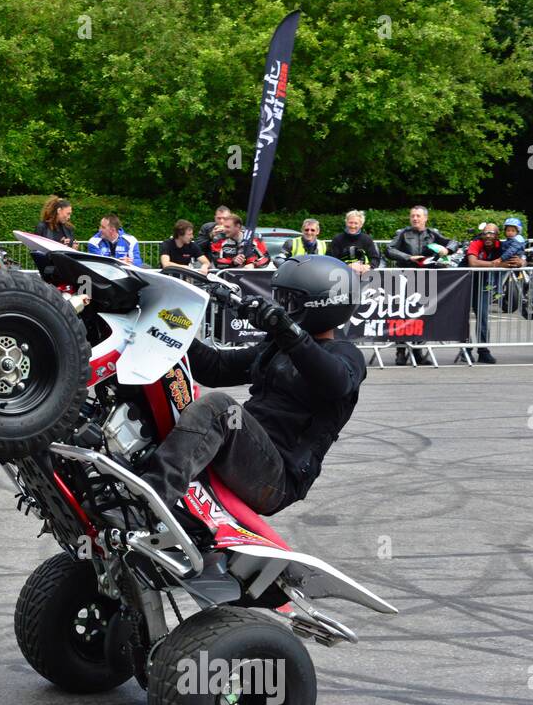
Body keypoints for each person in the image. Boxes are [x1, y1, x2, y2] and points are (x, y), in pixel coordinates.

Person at [141, 255, 366, 516]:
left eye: (289, 300)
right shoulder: (277, 346)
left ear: (320, 304)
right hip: (246, 453)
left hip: (278, 477)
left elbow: (335, 383)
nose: (281, 306)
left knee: (219, 407)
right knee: (170, 389)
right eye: (279, 298)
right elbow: (216, 369)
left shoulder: (347, 355)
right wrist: (165, 322)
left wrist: (287, 332)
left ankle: (149, 503)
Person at [385, 206, 459, 364]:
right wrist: (409, 257)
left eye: (418, 216)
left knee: (421, 316)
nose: (415, 219)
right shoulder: (403, 233)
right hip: (405, 278)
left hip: (426, 279)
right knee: (402, 315)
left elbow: (453, 242)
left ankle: (418, 352)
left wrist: (448, 249)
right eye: (412, 216)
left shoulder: (432, 233)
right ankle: (400, 352)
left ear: (425, 218)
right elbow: (389, 249)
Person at [461, 223, 518, 364]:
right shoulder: (475, 243)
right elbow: (473, 263)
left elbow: (516, 258)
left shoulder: (502, 245)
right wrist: (497, 264)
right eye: (485, 233)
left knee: (483, 317)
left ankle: (483, 351)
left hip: (483, 285)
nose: (488, 236)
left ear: (497, 236)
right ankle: (465, 350)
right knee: (463, 318)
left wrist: (520, 262)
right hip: (465, 282)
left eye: (492, 233)